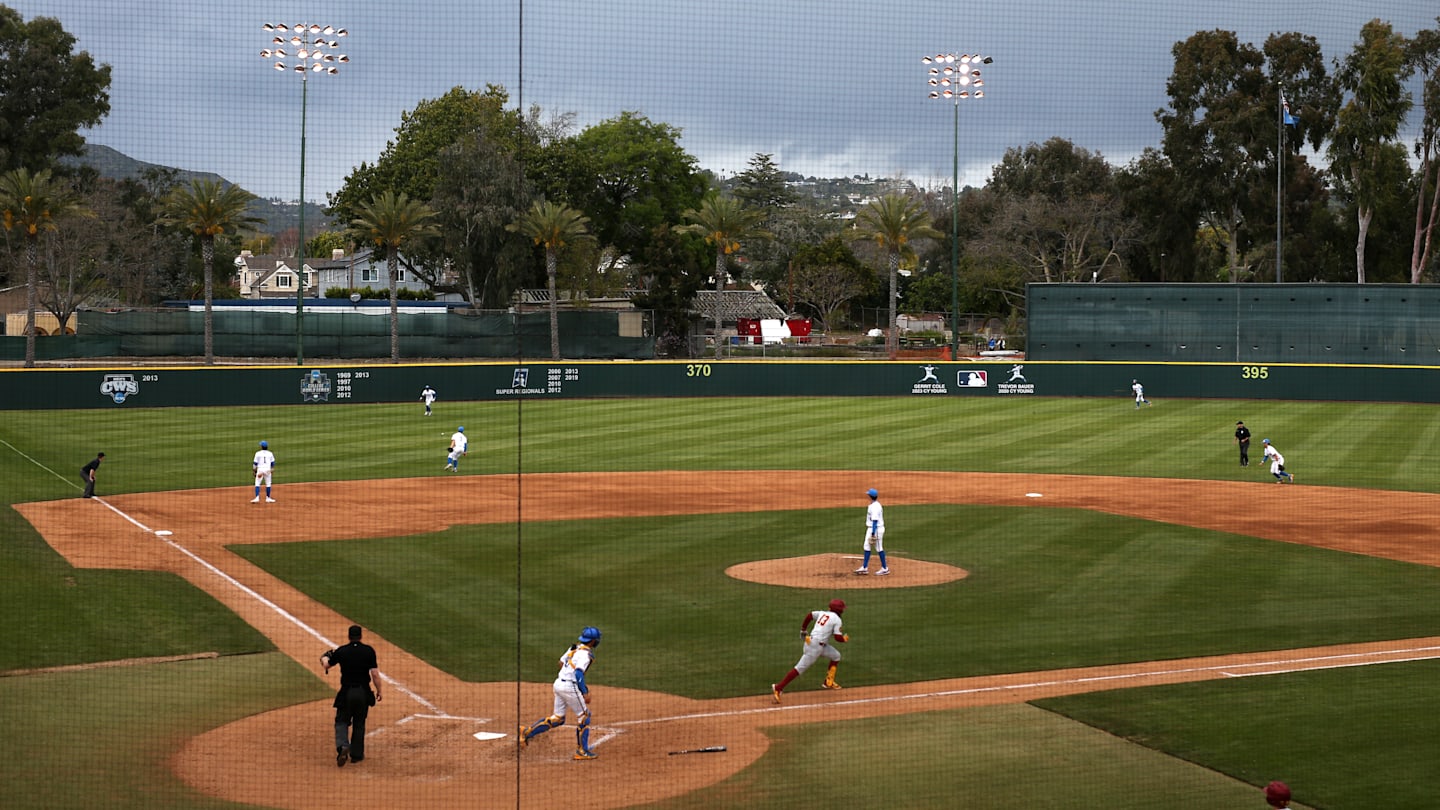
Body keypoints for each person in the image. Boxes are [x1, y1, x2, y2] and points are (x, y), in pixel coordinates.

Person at [518, 626, 602, 760]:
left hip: (558, 684)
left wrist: (567, 675)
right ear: (593, 641)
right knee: (584, 716)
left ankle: (527, 732)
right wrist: (584, 692)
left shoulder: (574, 648)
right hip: (569, 687)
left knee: (558, 718)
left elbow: (561, 663)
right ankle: (582, 751)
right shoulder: (585, 655)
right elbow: (578, 673)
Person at [321, 624, 382, 767]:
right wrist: (379, 690)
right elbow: (375, 674)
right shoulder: (368, 651)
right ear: (360, 636)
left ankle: (343, 746)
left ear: (349, 636)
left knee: (341, 721)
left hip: (346, 692)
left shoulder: (342, 651)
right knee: (359, 723)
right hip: (363, 693)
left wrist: (324, 657)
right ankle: (356, 755)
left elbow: (327, 665)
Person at [771, 599, 848, 702]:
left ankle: (828, 681)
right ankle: (778, 687)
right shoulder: (837, 620)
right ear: (839, 610)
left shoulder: (822, 613)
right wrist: (844, 639)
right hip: (815, 647)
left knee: (836, 656)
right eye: (842, 609)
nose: (843, 611)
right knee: (799, 668)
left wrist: (803, 629)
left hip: (815, 643)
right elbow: (838, 638)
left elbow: (810, 615)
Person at [854, 488, 888, 575]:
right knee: (866, 546)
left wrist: (873, 533)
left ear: (870, 496)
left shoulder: (875, 507)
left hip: (876, 529)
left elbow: (875, 521)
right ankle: (864, 567)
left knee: (879, 548)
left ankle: (885, 568)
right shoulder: (874, 505)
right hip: (871, 528)